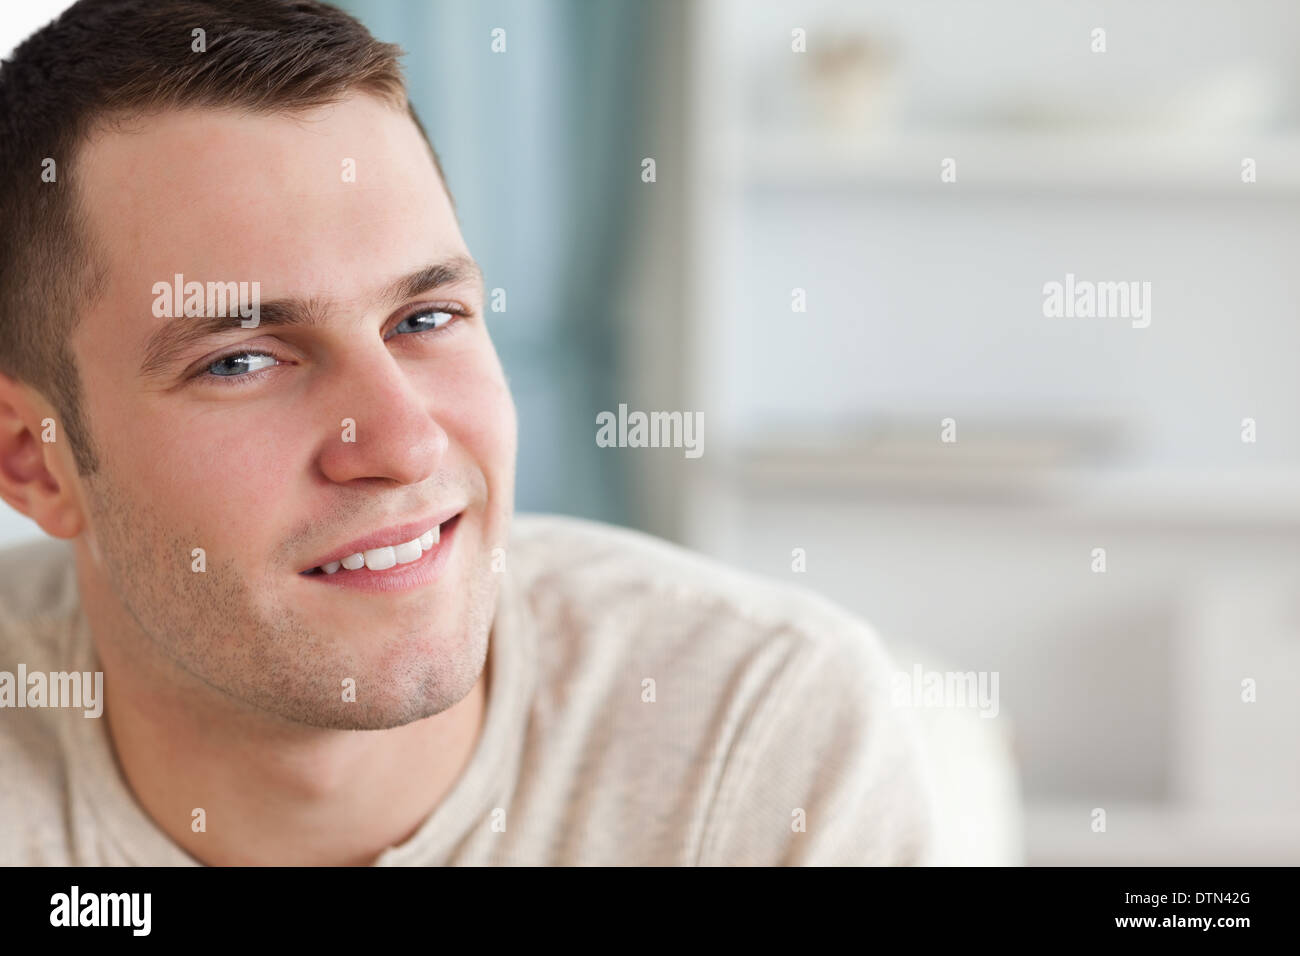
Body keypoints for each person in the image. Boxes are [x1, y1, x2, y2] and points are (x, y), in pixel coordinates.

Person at [0, 0, 936, 866]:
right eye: (241, 361)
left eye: (426, 319)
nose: (406, 445)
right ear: (32, 461)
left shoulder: (761, 735)